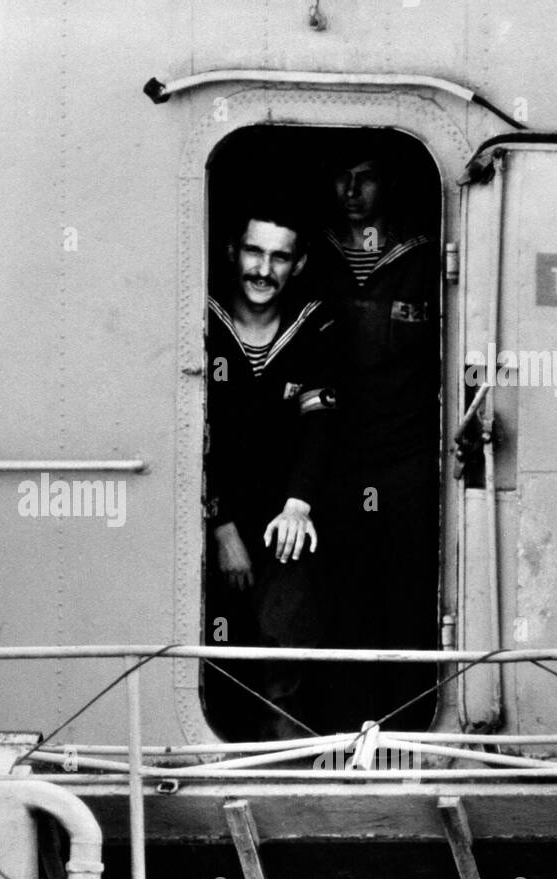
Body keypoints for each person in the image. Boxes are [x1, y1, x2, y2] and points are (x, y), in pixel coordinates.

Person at [315, 134, 441, 732]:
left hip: (408, 458)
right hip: (333, 458)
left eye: (364, 177)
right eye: (341, 177)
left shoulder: (423, 255)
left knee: (407, 599)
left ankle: (409, 731)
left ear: (388, 183)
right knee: (341, 601)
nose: (352, 191)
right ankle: (344, 732)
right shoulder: (315, 256)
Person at [204, 199, 338, 740]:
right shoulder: (199, 316)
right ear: (233, 252)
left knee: (285, 636)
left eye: (279, 257)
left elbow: (321, 422)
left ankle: (286, 762)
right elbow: (189, 432)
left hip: (281, 510)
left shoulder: (315, 325)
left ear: (298, 265)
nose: (263, 269)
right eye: (254, 252)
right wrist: (220, 525)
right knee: (216, 644)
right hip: (205, 510)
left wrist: (297, 504)